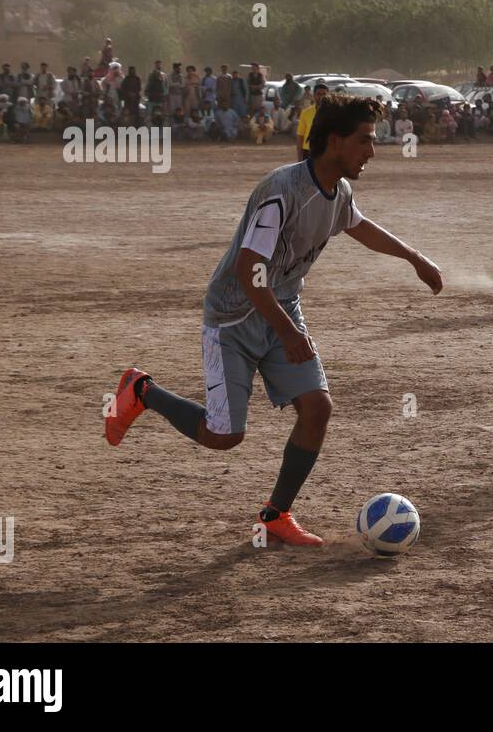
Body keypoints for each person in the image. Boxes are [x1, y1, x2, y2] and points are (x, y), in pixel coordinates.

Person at [104, 94, 443, 546]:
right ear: (335, 141)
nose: (372, 150)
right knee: (223, 436)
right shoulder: (282, 191)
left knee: (317, 408)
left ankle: (275, 515)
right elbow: (248, 271)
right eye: (364, 141)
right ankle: (142, 390)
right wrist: (286, 330)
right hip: (233, 318)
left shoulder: (339, 191)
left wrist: (414, 258)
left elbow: (359, 225)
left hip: (282, 309)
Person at [296, 82, 328, 161]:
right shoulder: (306, 113)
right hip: (308, 151)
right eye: (319, 94)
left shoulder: (333, 113)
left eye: (324, 94)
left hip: (326, 151)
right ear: (313, 95)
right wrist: (300, 157)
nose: (321, 97)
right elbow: (300, 136)